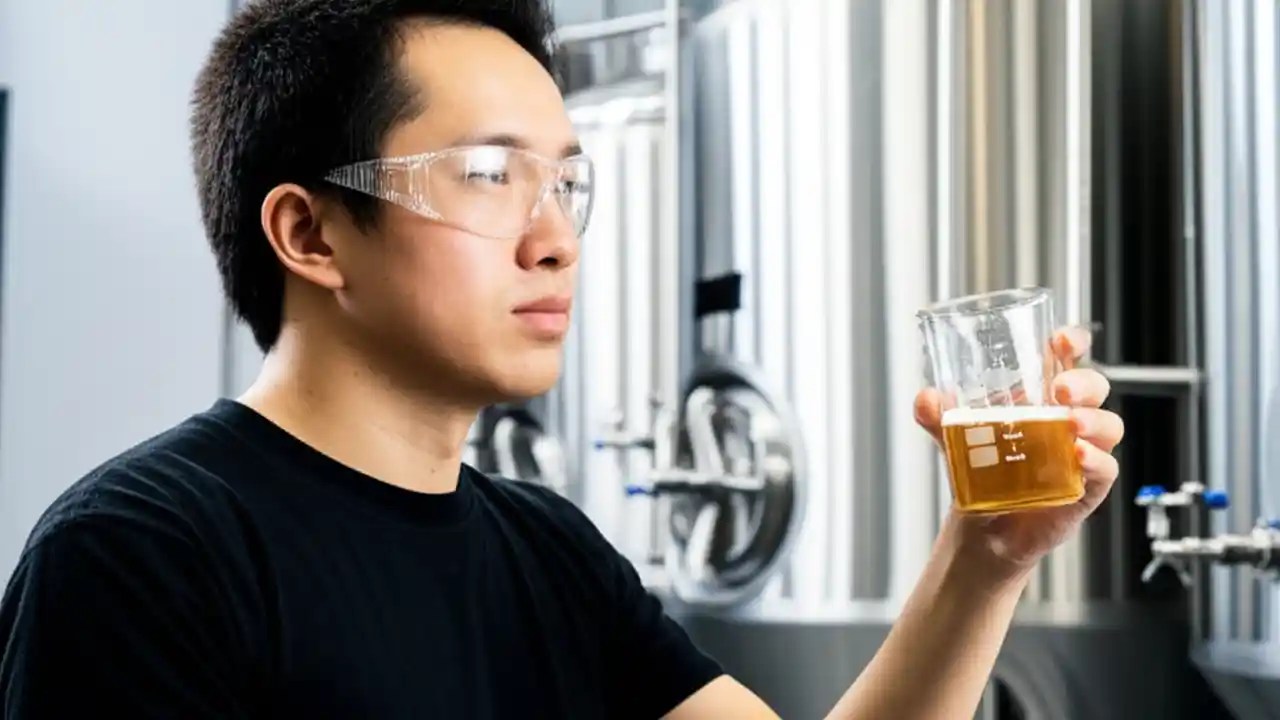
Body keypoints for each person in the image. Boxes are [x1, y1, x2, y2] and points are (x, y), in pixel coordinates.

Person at [0, 1, 1125, 717]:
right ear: (309, 233)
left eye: (566, 183)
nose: (556, 237)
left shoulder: (545, 551)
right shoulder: (140, 557)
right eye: (488, 174)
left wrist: (985, 556)